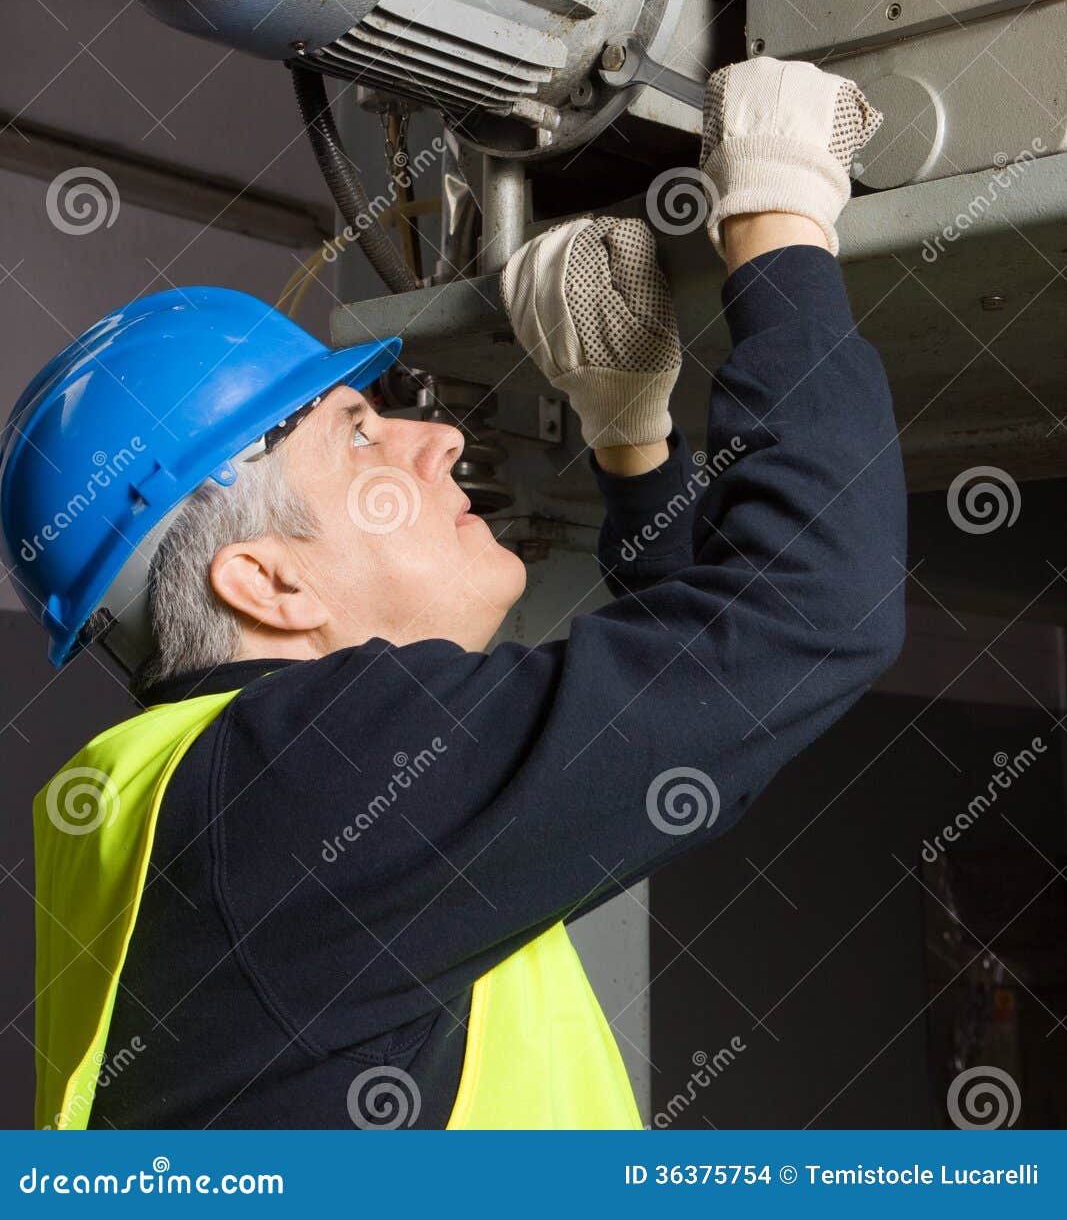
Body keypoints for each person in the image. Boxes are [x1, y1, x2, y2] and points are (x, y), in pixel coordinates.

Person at [2, 56, 904, 1130]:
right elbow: (809, 609)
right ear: (265, 580)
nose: (441, 437)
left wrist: (634, 448)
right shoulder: (293, 781)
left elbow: (679, 743)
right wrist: (775, 219)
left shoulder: (226, 807)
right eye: (358, 432)